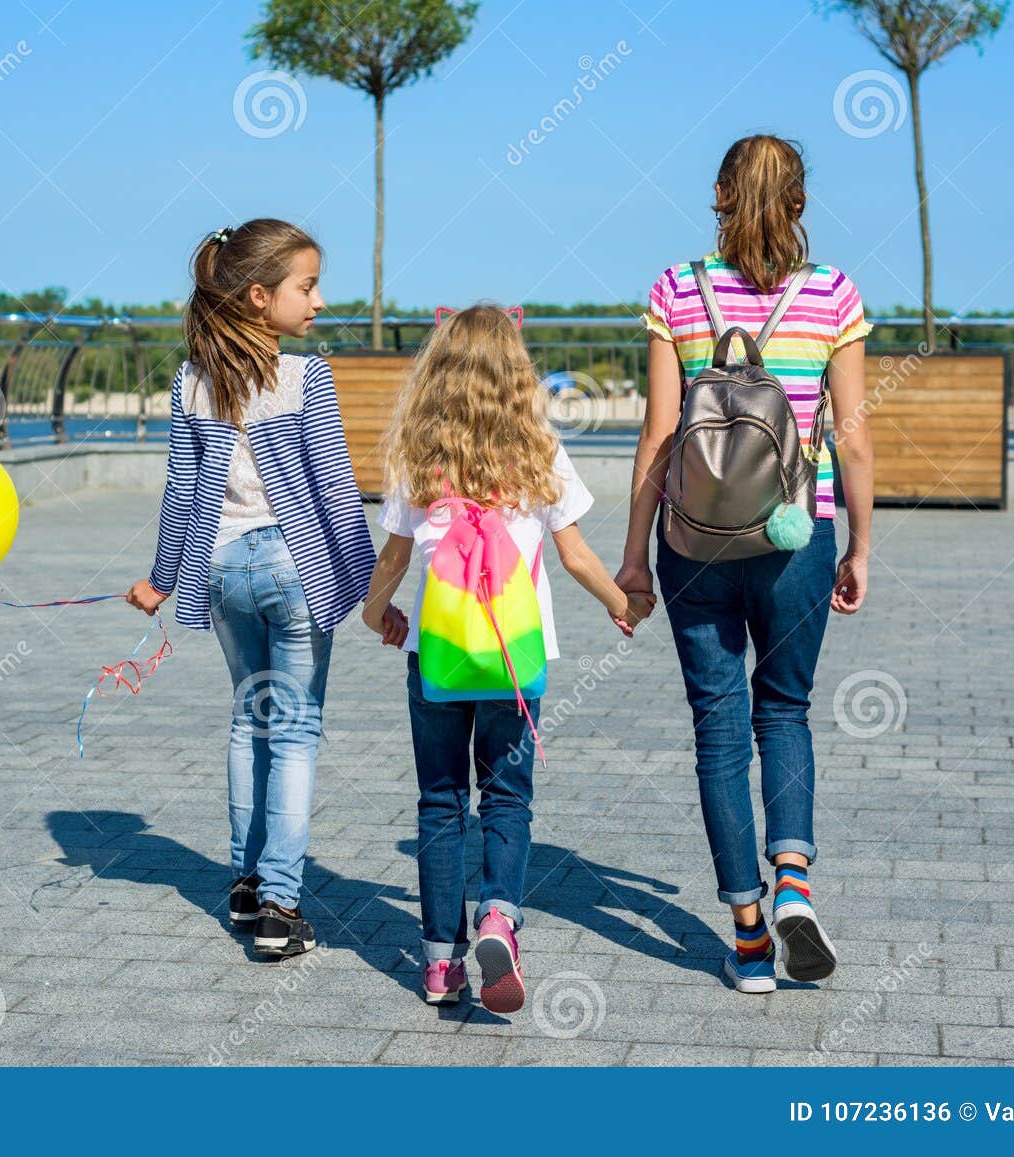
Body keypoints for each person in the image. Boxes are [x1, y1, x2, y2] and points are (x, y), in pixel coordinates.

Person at [615, 135, 875, 994]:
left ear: (718, 195)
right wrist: (861, 545)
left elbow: (658, 436)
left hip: (692, 539)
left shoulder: (676, 290)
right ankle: (795, 882)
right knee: (786, 710)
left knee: (718, 727)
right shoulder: (833, 293)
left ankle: (752, 937)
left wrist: (633, 561)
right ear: (799, 202)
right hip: (799, 532)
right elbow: (854, 436)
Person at [362, 304, 652, 1011]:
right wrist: (621, 601)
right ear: (518, 374)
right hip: (514, 661)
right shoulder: (538, 451)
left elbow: (395, 557)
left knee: (440, 800)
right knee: (506, 797)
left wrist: (376, 614)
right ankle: (497, 915)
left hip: (438, 657)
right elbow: (575, 553)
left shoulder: (418, 453)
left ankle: (438, 963)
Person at [128, 219, 376, 960]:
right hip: (294, 569)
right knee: (295, 732)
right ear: (261, 296)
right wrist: (371, 583)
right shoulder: (306, 376)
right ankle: (279, 904)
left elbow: (181, 492)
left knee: (248, 722)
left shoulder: (189, 380)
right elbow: (333, 485)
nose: (321, 300)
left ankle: (242, 881)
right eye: (307, 286)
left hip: (221, 570)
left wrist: (160, 580)